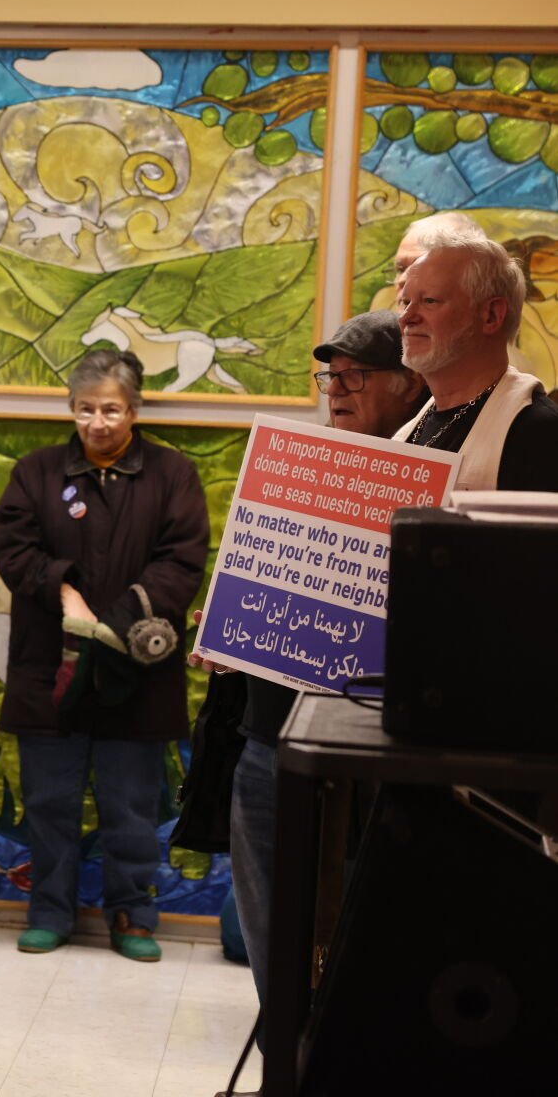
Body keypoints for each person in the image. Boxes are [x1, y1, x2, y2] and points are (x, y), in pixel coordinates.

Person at [202, 310, 427, 1020]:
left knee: (359, 946)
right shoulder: (297, 468)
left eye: (358, 373)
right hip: (268, 743)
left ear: (408, 382)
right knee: (271, 938)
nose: (338, 386)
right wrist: (222, 636)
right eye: (331, 373)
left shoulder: (434, 478)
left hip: (370, 760)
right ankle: (285, 1063)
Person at [0, 350, 209, 962]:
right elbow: (12, 546)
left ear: (134, 411)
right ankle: (49, 912)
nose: (98, 423)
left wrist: (117, 620)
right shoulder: (36, 473)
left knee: (132, 806)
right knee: (50, 802)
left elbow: (183, 559)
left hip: (136, 668)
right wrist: (63, 592)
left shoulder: (172, 475)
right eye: (86, 410)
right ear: (71, 410)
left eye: (111, 410)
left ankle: (132, 914)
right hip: (50, 665)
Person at [392, 227, 558, 491]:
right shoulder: (411, 426)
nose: (406, 317)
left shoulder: (538, 433)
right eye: (405, 302)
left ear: (491, 315)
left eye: (429, 301)